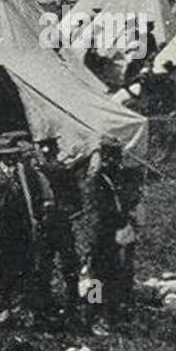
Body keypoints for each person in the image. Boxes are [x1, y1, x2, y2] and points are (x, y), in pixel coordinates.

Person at [0, 131, 54, 321]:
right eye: (7, 155)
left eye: (14, 154)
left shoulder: (24, 173)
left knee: (25, 265)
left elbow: (36, 197)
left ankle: (22, 306)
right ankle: (4, 305)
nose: (11, 158)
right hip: (1, 228)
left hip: (22, 226)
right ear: (0, 156)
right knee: (3, 266)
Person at [83, 136, 139, 334]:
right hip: (101, 235)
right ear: (105, 156)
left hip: (113, 233)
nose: (117, 160)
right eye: (113, 155)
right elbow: (98, 210)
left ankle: (108, 314)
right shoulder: (97, 178)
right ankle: (92, 315)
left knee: (112, 275)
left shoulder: (116, 176)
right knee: (97, 278)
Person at [34, 136, 82, 323]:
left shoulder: (39, 173)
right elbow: (77, 203)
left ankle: (50, 302)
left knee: (47, 265)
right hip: (59, 225)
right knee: (66, 263)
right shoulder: (64, 171)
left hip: (51, 225)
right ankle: (72, 301)